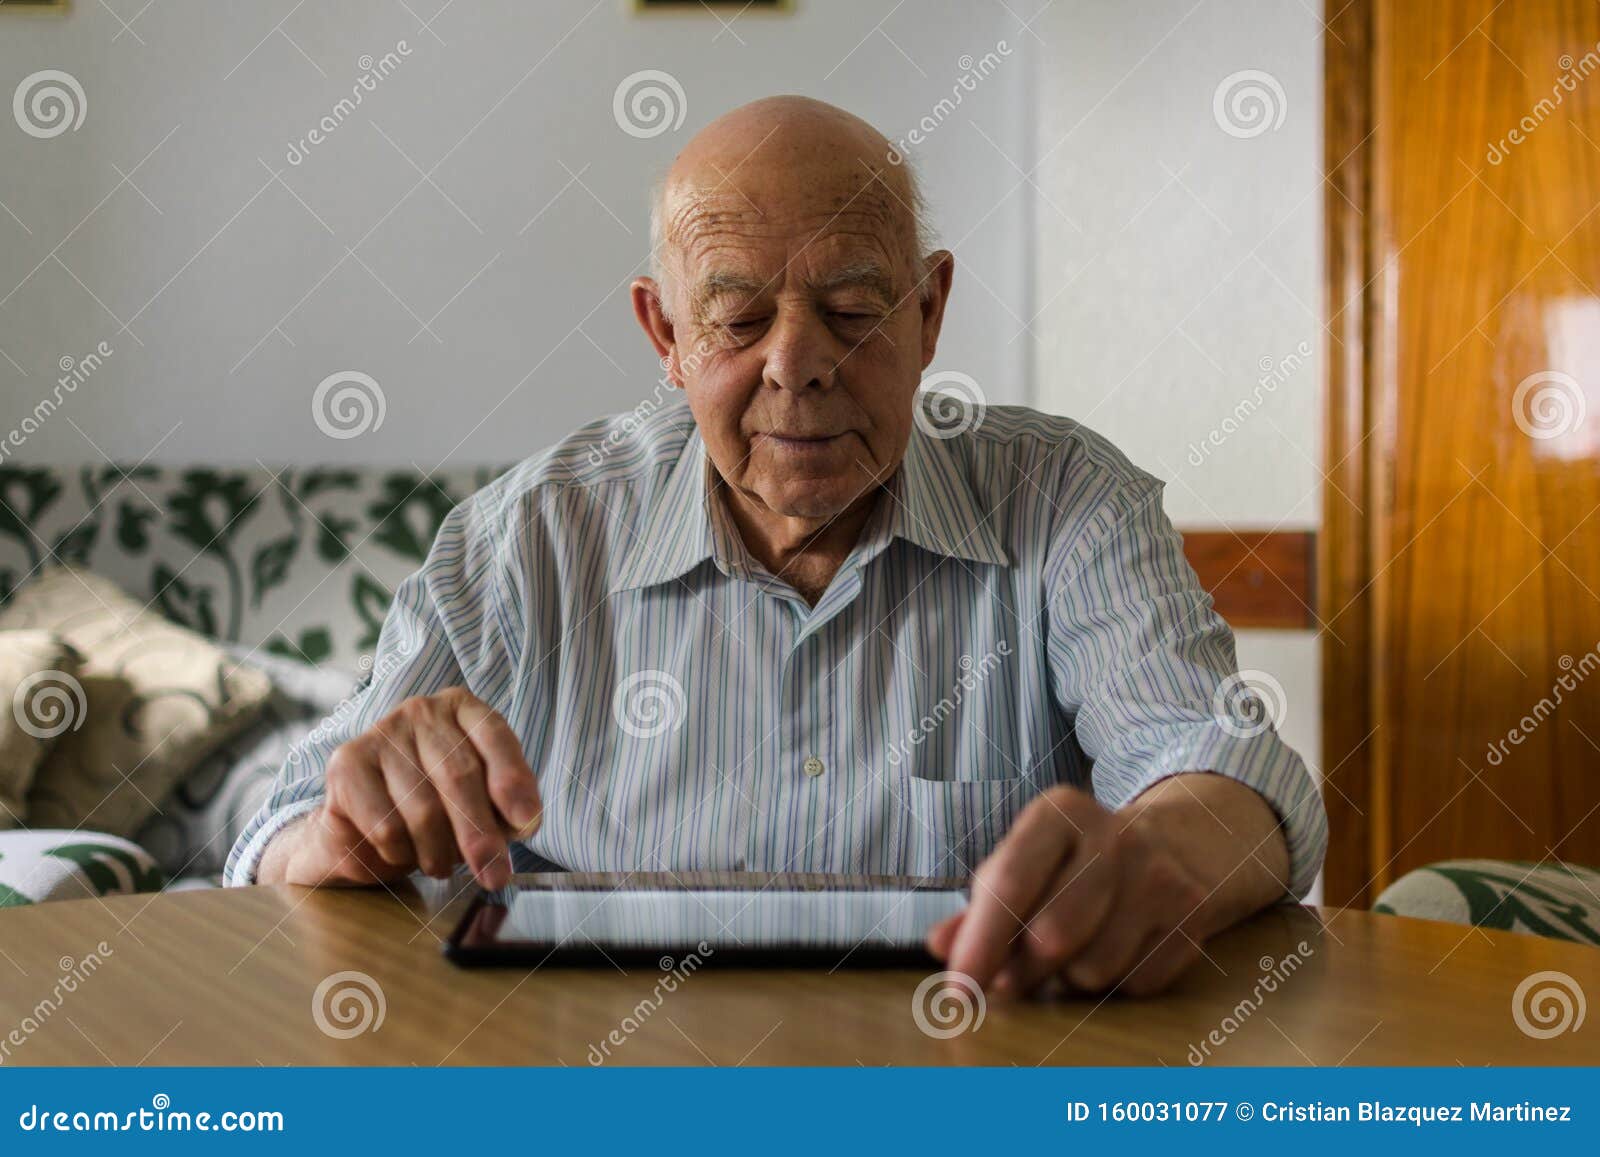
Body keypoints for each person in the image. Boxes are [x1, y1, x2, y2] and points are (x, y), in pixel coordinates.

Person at [227, 96, 1325, 998]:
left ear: (929, 313)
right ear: (665, 333)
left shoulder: (1068, 500)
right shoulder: (529, 538)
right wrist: (339, 837)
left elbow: (1219, 764)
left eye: (852, 308)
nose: (797, 364)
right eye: (739, 319)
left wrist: (1157, 855)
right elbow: (280, 825)